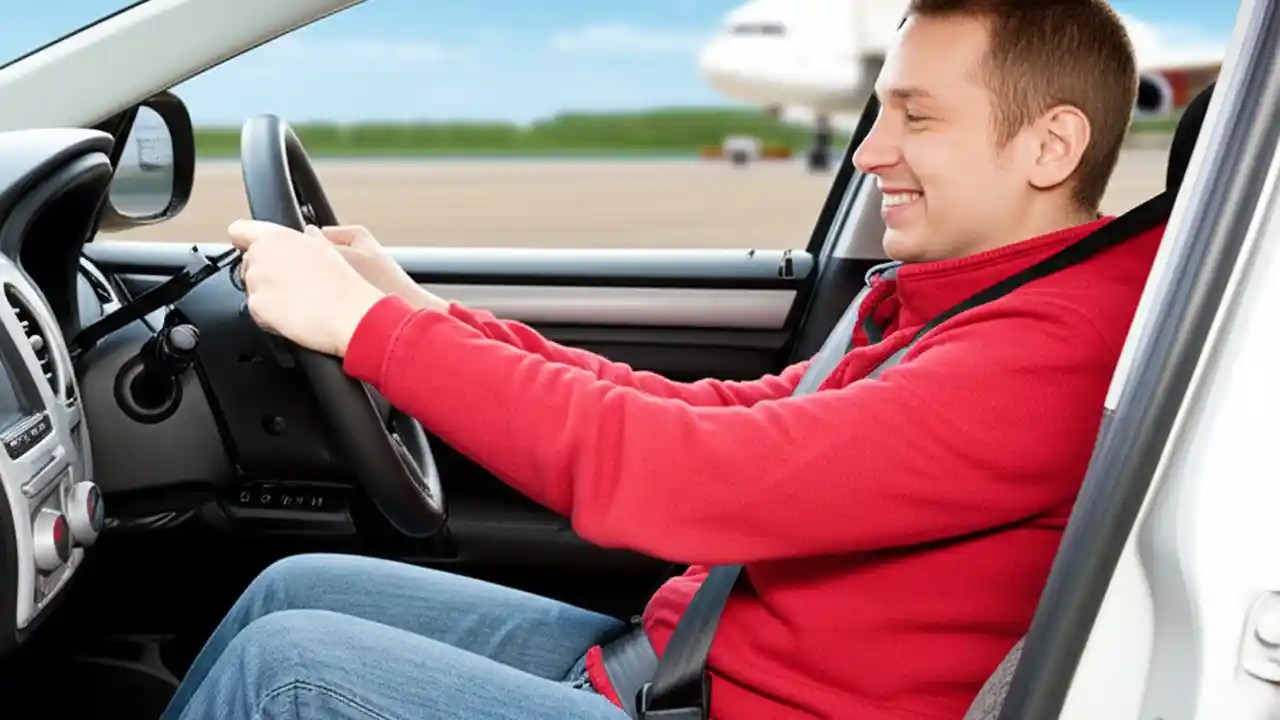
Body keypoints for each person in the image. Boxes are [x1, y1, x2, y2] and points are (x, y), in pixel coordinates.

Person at [162, 1, 1160, 718]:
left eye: (917, 116)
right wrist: (418, 312)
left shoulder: (1049, 351)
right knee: (297, 588)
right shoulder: (959, 304)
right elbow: (720, 415)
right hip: (681, 660)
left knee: (290, 668)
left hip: (727, 702)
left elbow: (691, 476)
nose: (867, 152)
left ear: (1046, 146)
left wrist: (371, 334)